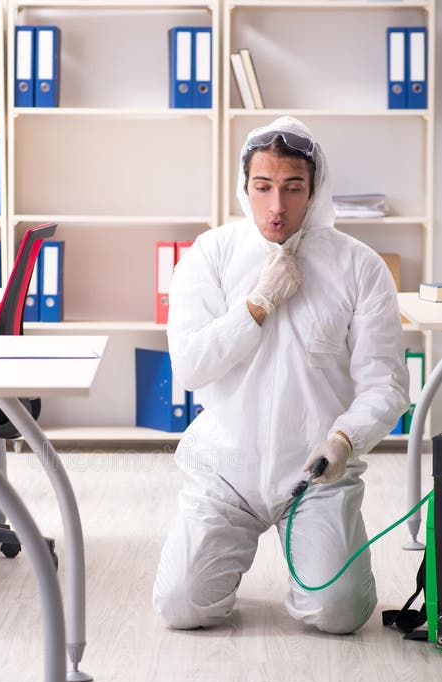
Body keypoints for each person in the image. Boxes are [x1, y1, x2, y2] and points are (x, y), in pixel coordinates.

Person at [153, 116, 410, 635]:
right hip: (227, 470)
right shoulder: (212, 254)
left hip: (316, 471)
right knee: (181, 607)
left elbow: (386, 383)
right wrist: (256, 306)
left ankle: (322, 565)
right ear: (244, 187)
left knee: (339, 615)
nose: (277, 205)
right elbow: (190, 366)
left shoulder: (359, 266)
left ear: (314, 189)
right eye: (263, 186)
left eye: (293, 187)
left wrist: (344, 439)